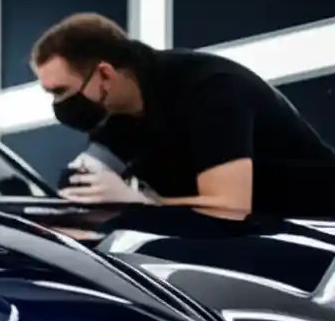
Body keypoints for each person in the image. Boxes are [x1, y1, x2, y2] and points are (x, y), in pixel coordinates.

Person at [31, 13, 335, 215]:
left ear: (105, 75)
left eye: (60, 91)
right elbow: (80, 181)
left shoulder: (210, 90)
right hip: (252, 235)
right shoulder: (118, 114)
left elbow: (228, 207)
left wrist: (143, 203)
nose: (60, 104)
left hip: (316, 230)